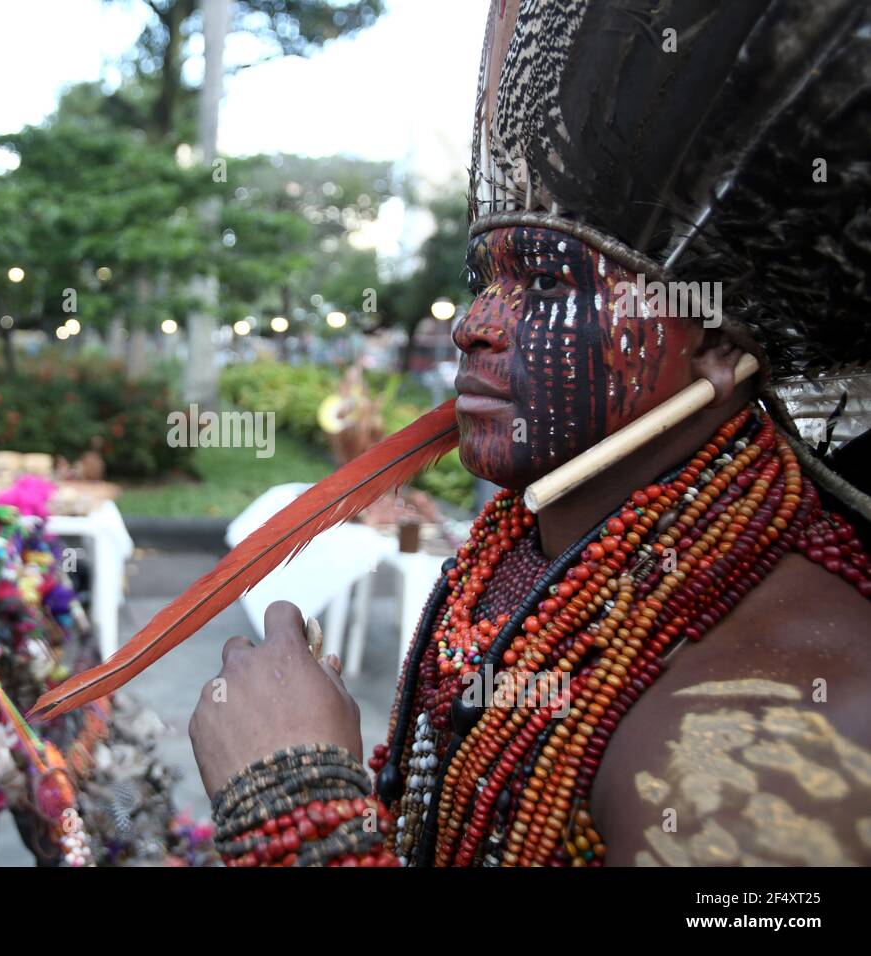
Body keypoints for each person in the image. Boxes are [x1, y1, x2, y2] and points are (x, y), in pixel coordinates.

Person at [190, 0, 871, 867]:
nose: (474, 323)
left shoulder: (770, 734)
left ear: (716, 344)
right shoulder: (520, 556)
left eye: (546, 284)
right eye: (486, 279)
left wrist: (294, 803)